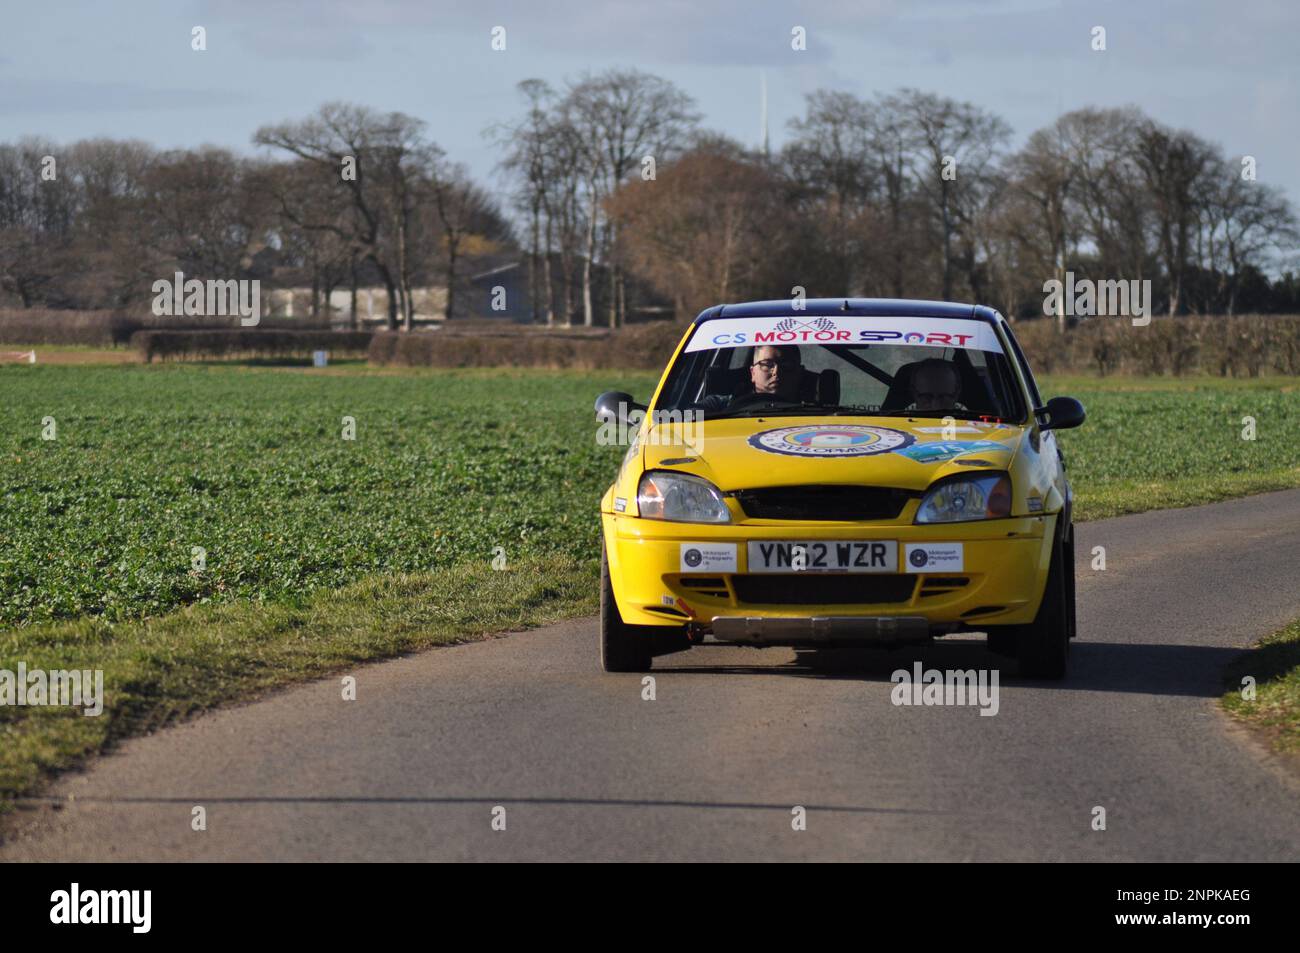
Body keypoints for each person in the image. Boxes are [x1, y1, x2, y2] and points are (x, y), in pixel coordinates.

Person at [696, 345, 804, 410]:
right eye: (767, 364)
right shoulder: (721, 404)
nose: (777, 372)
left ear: (799, 372)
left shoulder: (819, 411)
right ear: (753, 372)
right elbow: (683, 419)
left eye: (787, 365)